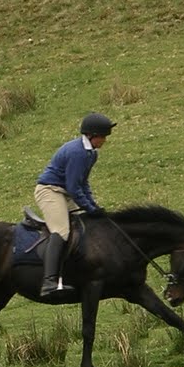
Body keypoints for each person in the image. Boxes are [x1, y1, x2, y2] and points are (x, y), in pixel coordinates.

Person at [32, 112, 115, 298]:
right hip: (50, 191)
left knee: (85, 224)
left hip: (65, 192)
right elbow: (73, 187)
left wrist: (93, 206)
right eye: (103, 137)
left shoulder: (91, 154)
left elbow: (82, 183)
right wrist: (91, 208)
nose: (104, 141)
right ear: (92, 135)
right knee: (61, 231)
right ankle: (49, 281)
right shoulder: (77, 153)